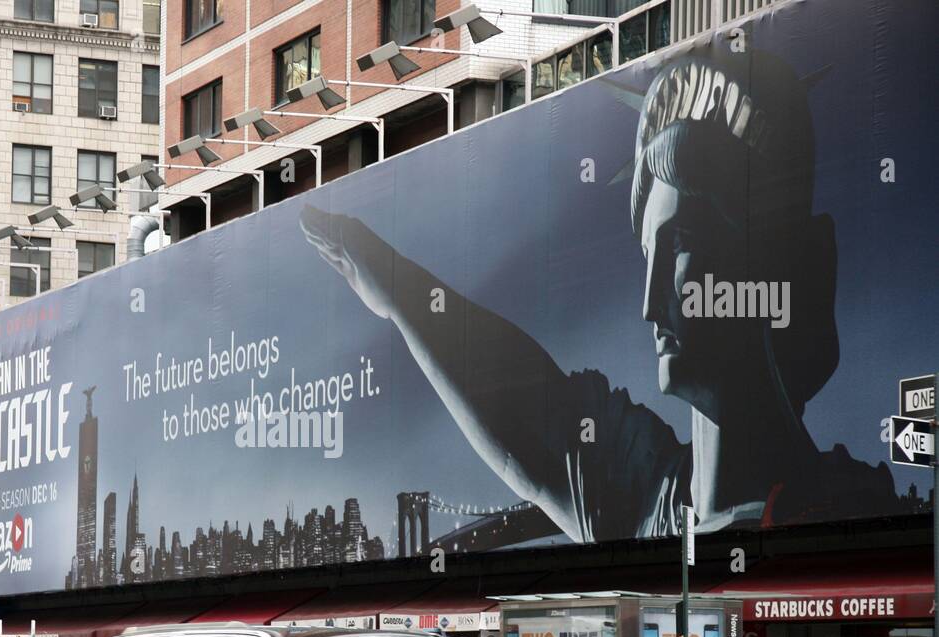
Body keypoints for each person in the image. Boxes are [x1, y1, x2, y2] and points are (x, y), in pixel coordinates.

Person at [299, 48, 901, 544]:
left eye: (685, 241)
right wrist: (397, 288)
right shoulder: (648, 498)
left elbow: (536, 418)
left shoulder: (848, 507)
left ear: (794, 262)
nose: (650, 302)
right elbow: (531, 415)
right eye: (649, 253)